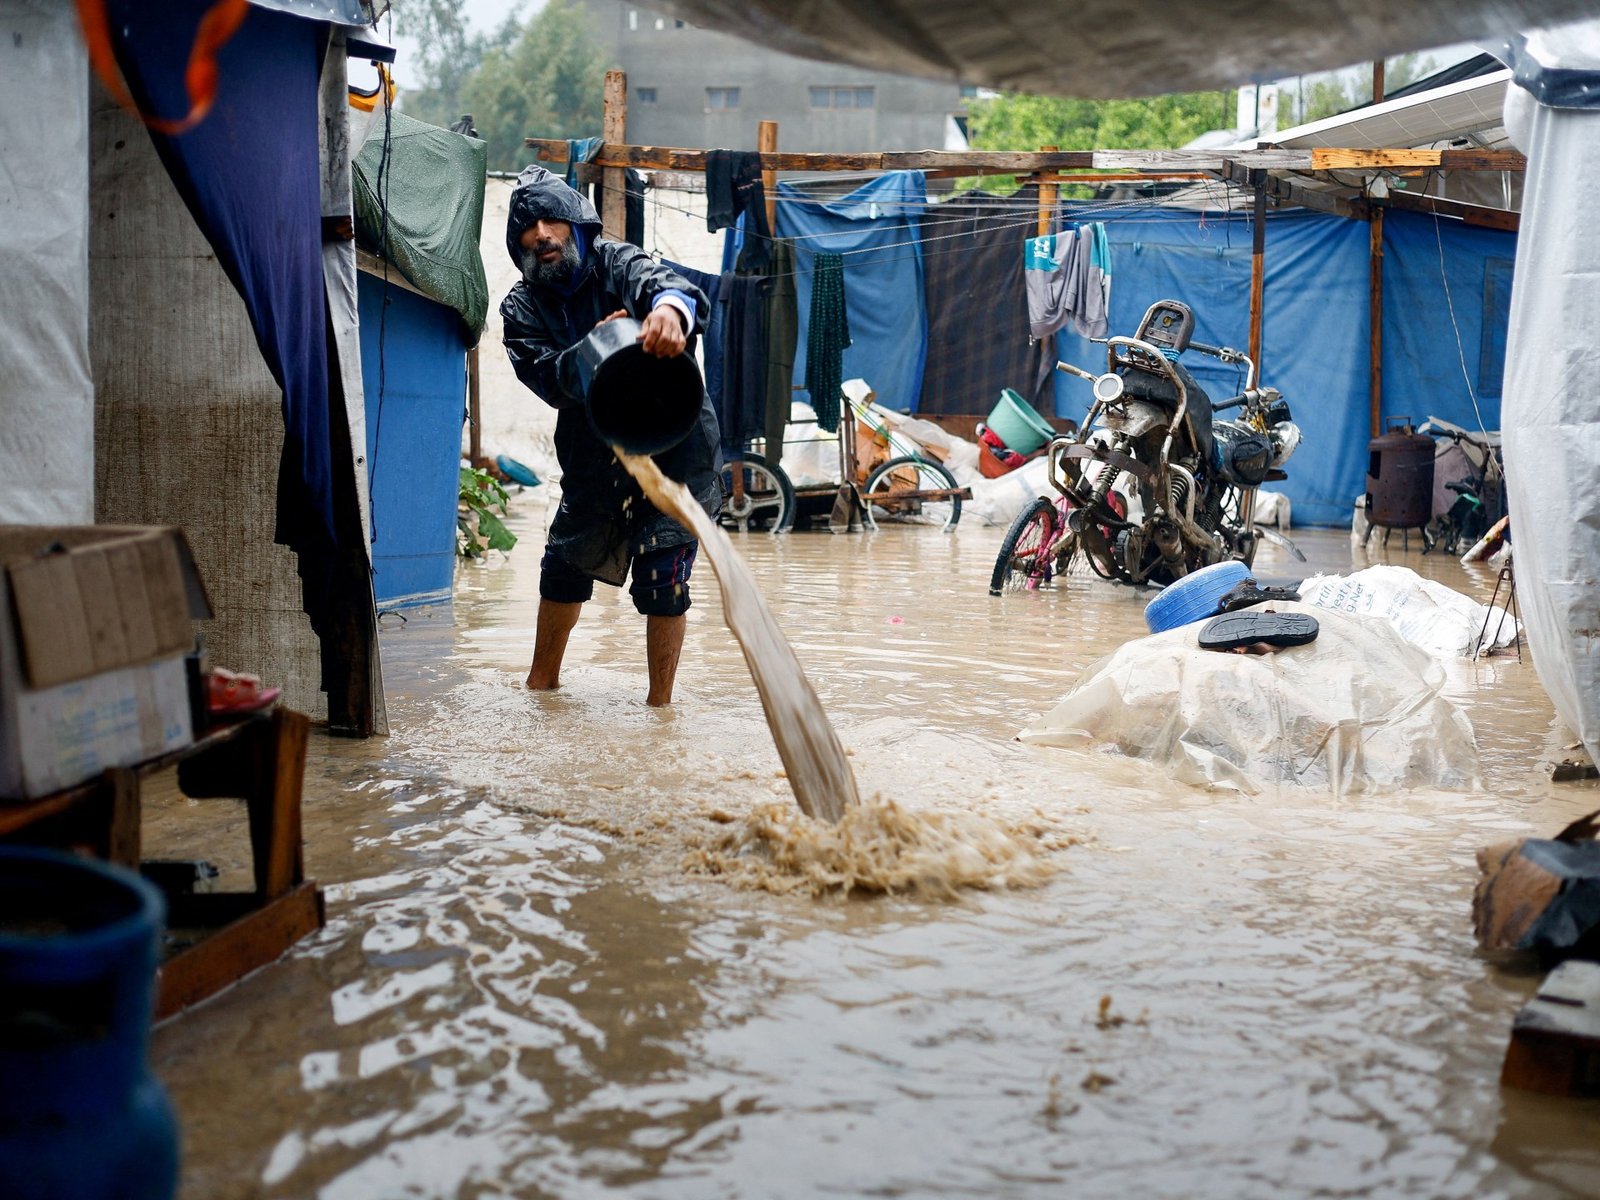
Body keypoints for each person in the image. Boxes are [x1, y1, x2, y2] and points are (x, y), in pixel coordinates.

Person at [500, 166, 721, 706]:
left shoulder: (617, 262)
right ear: (519, 245)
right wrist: (596, 346)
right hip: (593, 451)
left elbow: (668, 286)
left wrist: (669, 311)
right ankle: (541, 689)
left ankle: (660, 711)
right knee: (562, 568)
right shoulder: (520, 308)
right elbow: (549, 379)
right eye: (530, 228)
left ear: (578, 226)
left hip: (674, 444)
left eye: (554, 220)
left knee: (663, 580)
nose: (544, 234)